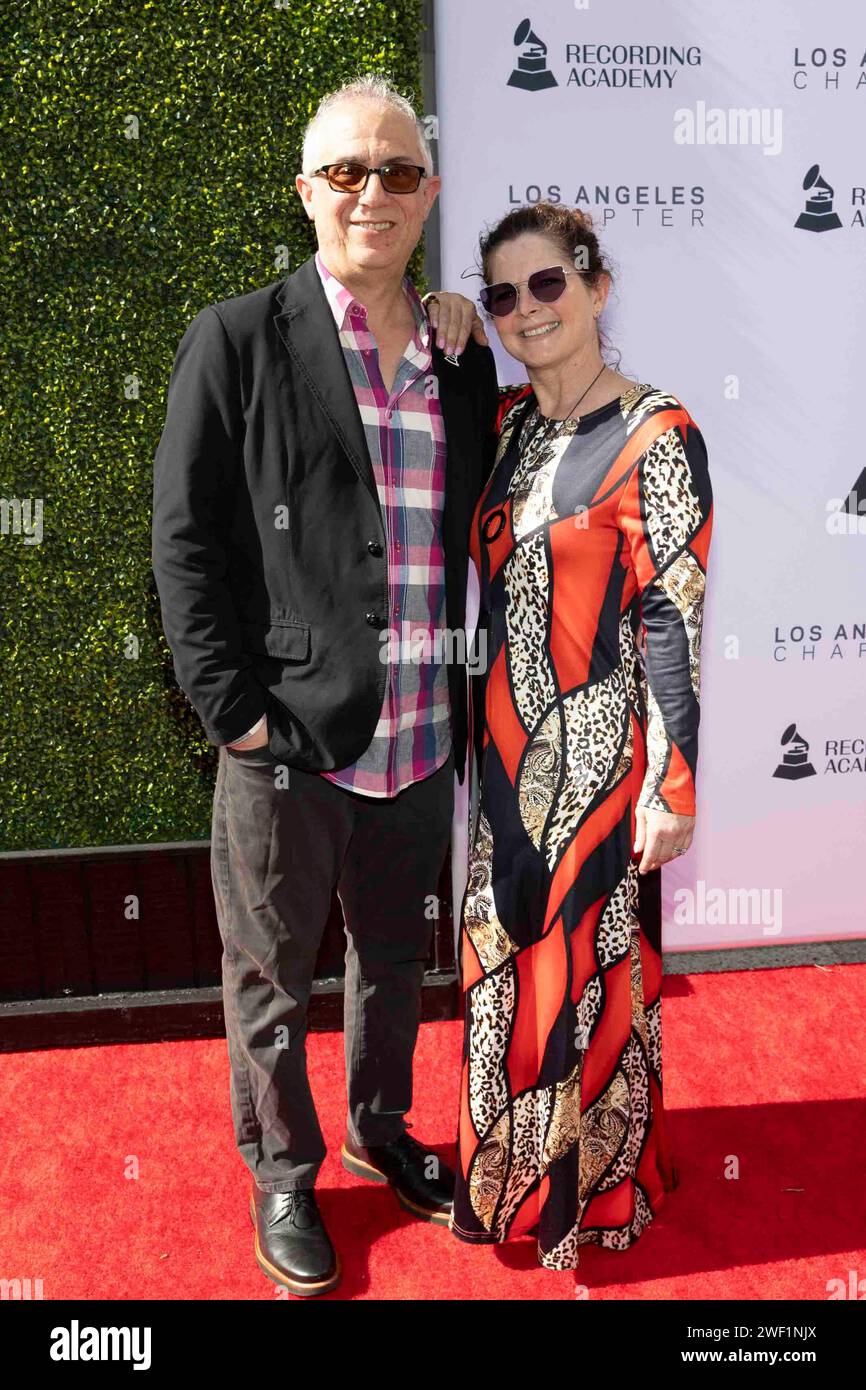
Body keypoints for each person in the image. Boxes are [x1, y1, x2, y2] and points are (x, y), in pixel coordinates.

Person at [151, 75, 498, 1297]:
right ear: (306, 191)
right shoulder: (236, 338)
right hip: (289, 740)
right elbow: (184, 546)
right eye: (346, 171)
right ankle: (285, 1174)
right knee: (270, 974)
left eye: (396, 171)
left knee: (394, 957)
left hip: (421, 734)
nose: (371, 193)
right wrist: (236, 715)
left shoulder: (461, 357)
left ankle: (379, 1125)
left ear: (427, 192)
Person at [425, 202, 713, 1269]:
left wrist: (670, 782)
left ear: (596, 285)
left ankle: (591, 1194)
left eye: (548, 282)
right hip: (501, 762)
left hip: (597, 761)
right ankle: (509, 1180)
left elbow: (671, 616)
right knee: (504, 968)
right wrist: (446, 312)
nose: (526, 309)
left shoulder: (659, 433)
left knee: (586, 978)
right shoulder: (504, 424)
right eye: (503, 294)